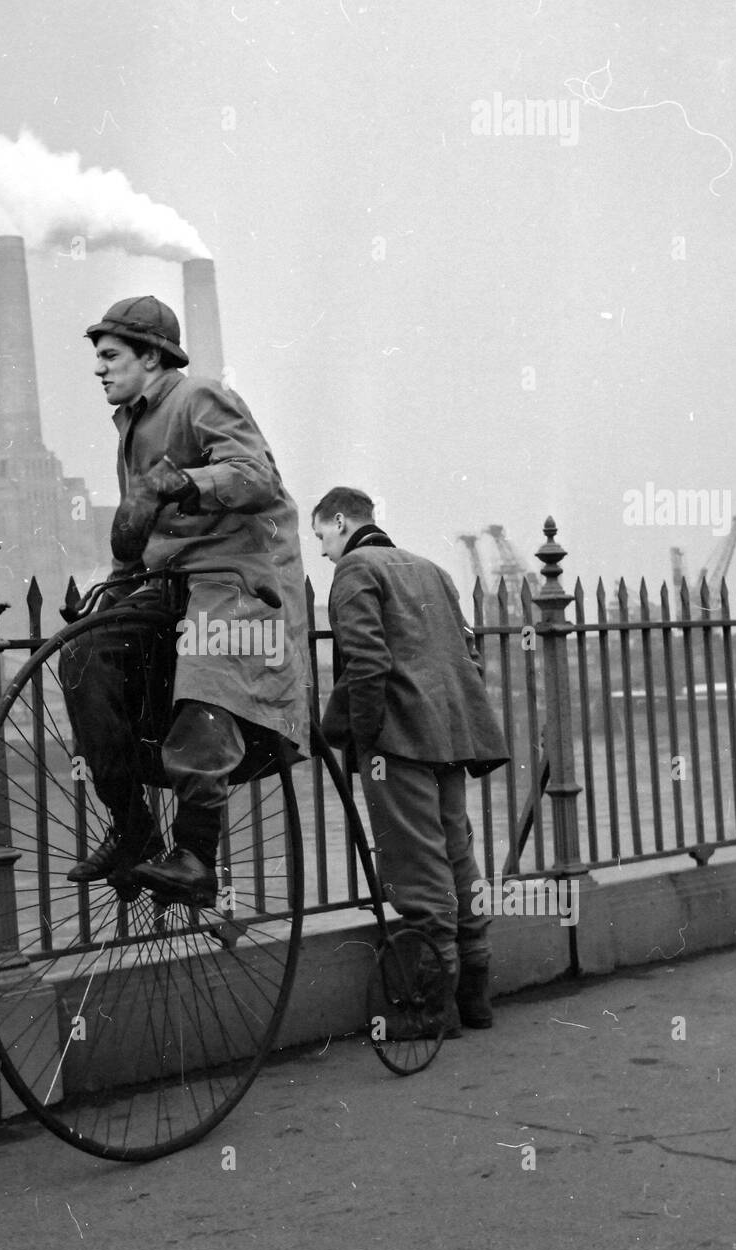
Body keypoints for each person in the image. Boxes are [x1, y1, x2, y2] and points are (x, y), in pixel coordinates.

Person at [62, 295, 310, 907]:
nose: (99, 369)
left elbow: (256, 479)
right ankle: (133, 829)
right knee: (82, 659)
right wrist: (110, 602)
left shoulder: (199, 397)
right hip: (169, 585)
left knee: (204, 671)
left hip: (235, 578)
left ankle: (197, 854)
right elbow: (142, 532)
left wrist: (181, 482)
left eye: (111, 356)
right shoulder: (131, 426)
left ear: (151, 357)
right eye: (97, 358)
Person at [314, 487, 508, 1034]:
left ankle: (431, 1008)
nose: (324, 550)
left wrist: (364, 733)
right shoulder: (432, 569)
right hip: (450, 734)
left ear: (341, 520)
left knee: (418, 867)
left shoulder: (354, 570)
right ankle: (476, 997)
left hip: (399, 738)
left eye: (322, 535)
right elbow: (465, 653)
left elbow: (366, 659)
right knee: (456, 856)